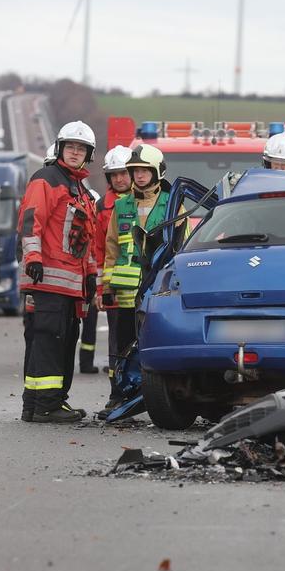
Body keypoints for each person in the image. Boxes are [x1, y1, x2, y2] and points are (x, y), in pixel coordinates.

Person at [18, 121, 99, 423]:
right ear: (61, 148)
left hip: (70, 285)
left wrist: (91, 274)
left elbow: (86, 240)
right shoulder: (47, 179)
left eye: (81, 149)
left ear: (88, 154)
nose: (75, 152)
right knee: (49, 340)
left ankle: (35, 404)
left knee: (60, 341)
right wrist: (33, 257)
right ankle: (47, 405)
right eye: (71, 147)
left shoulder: (80, 191)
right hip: (47, 278)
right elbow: (31, 220)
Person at [100, 144, 179, 414]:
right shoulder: (121, 205)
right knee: (121, 347)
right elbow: (111, 248)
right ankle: (119, 395)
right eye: (136, 171)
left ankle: (157, 396)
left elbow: (182, 249)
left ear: (157, 171)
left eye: (145, 170)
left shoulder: (173, 204)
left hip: (157, 292)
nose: (140, 175)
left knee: (153, 345)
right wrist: (107, 286)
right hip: (124, 292)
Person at [91, 146, 132, 402]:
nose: (119, 179)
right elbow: (99, 250)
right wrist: (101, 289)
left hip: (143, 287)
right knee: (116, 345)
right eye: (114, 174)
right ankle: (117, 393)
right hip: (116, 286)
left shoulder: (148, 201)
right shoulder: (102, 207)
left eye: (123, 173)